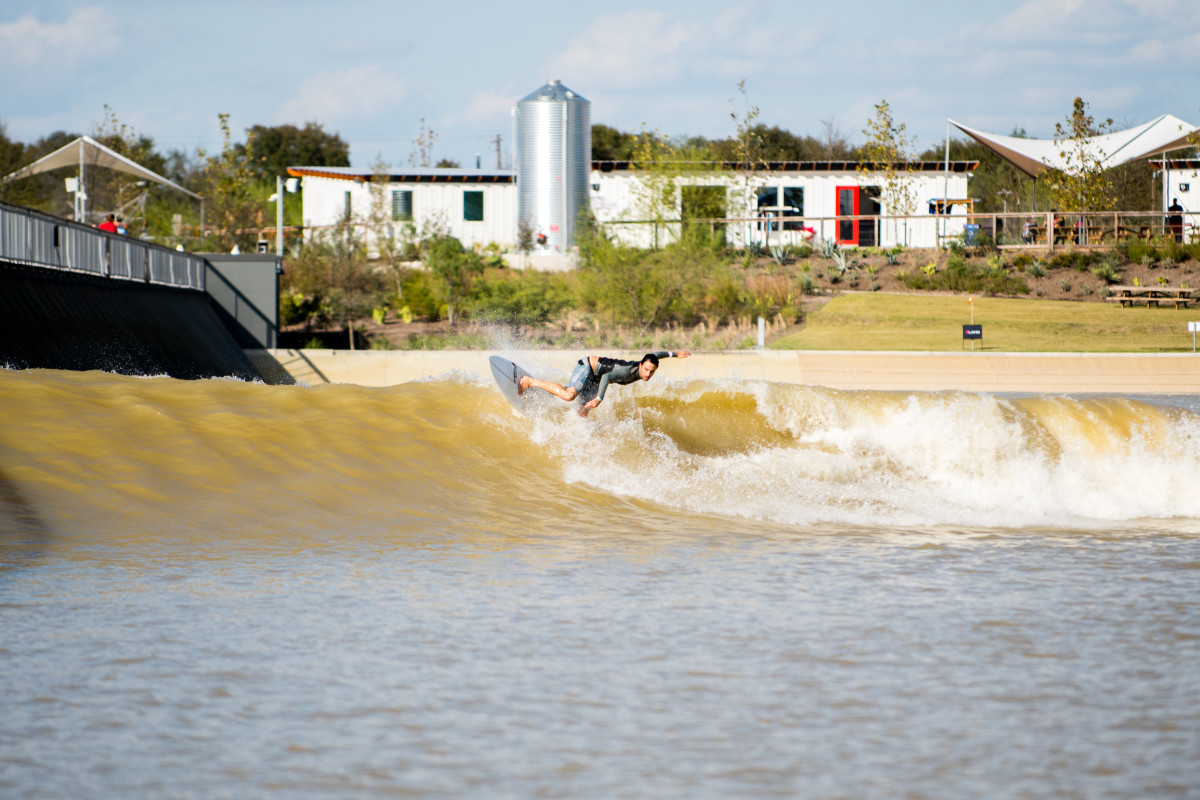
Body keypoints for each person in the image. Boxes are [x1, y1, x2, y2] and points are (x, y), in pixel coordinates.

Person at [519, 350, 692, 417]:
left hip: (596, 376)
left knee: (583, 411)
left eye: (652, 371)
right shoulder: (627, 371)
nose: (648, 374)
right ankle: (530, 381)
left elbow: (654, 355)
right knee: (569, 395)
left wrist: (674, 354)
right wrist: (600, 397)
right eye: (646, 369)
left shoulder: (645, 365)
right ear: (640, 365)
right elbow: (607, 376)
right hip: (589, 367)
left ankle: (548, 396)